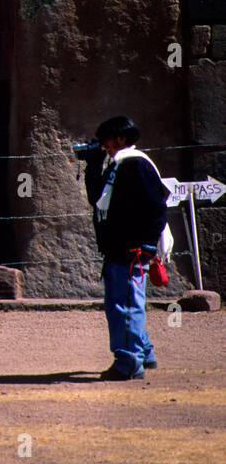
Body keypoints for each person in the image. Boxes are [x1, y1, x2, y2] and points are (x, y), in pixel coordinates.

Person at [80, 116, 167, 380]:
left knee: (125, 304)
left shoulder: (135, 164)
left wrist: (148, 243)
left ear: (120, 138)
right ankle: (143, 351)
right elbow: (98, 199)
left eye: (106, 138)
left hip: (132, 248)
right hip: (120, 247)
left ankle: (128, 362)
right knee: (125, 300)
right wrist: (93, 167)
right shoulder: (117, 165)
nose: (103, 145)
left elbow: (156, 205)